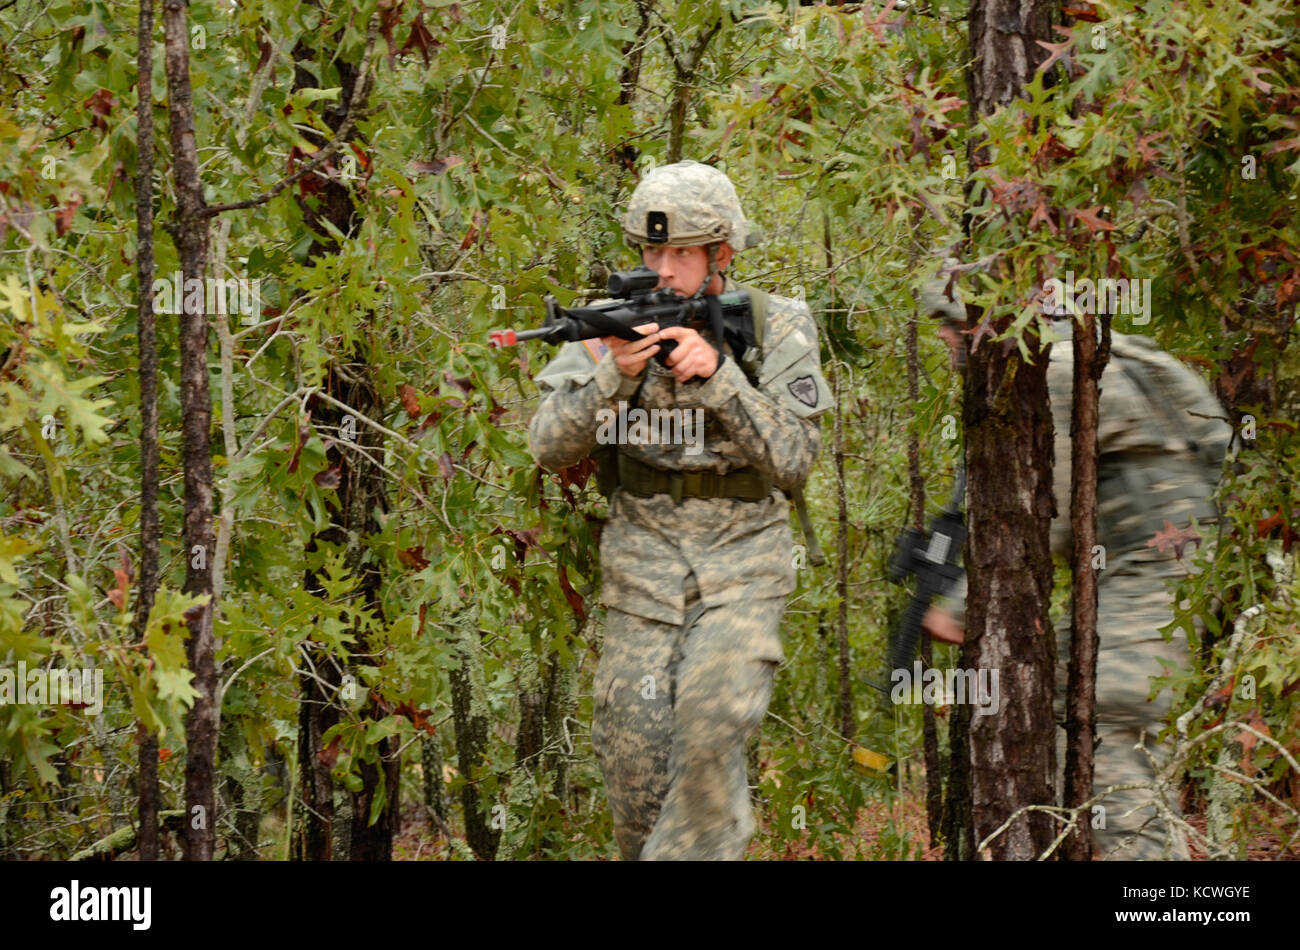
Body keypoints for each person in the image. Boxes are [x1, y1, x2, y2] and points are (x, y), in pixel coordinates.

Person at [527, 160, 833, 860]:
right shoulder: (610, 326)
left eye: (682, 253)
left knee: (708, 725)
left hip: (742, 570)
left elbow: (794, 459)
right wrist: (615, 372)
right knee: (633, 766)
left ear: (721, 255)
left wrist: (720, 378)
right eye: (651, 251)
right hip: (641, 574)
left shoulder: (774, 323)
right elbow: (545, 445)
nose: (663, 269)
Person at [920, 267, 1230, 860]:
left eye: (952, 327)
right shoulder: (1085, 354)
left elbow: (1041, 515)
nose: (947, 342)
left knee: (1109, 767)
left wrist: (961, 610)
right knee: (1080, 728)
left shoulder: (1056, 372)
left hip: (1152, 595)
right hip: (1171, 588)